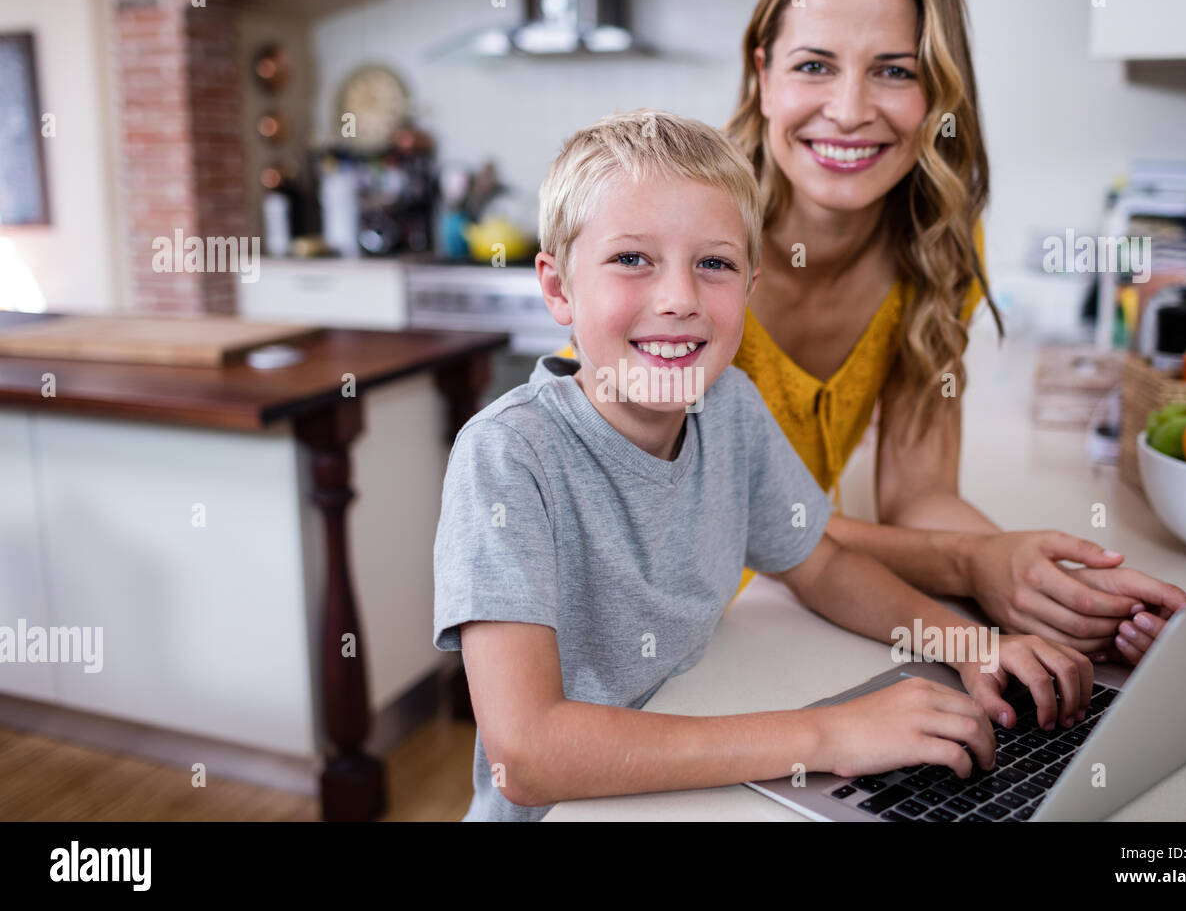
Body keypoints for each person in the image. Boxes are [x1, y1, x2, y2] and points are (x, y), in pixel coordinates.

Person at [432, 110, 1136, 821]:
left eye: (714, 264)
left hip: (699, 784)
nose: (679, 299)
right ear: (558, 289)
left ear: (748, 288)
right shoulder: (508, 456)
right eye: (632, 259)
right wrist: (827, 734)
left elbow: (818, 562)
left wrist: (967, 644)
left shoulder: (729, 407)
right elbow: (524, 754)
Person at [716, 0, 1186, 664]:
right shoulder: (691, 236)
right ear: (764, 73)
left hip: (786, 623)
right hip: (647, 639)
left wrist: (1040, 581)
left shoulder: (936, 245)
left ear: (939, 91)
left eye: (895, 71)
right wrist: (973, 563)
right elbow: (730, 523)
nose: (848, 110)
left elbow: (921, 496)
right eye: (814, 65)